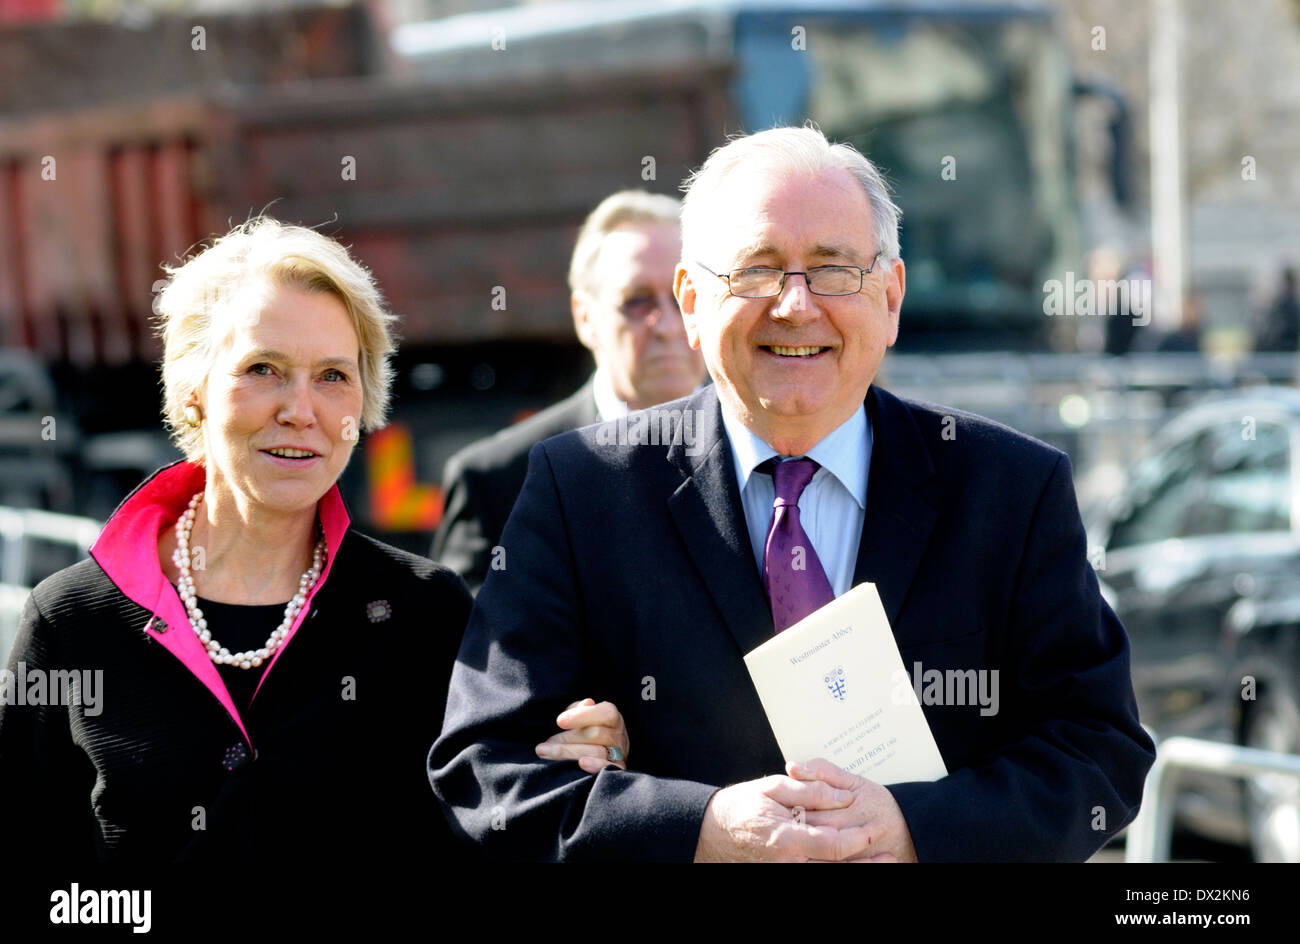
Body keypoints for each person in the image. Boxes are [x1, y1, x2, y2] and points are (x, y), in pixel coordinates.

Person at [430, 126, 1156, 862]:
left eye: (834, 269)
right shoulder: (581, 487)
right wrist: (701, 828)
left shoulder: (1009, 489)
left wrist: (912, 830)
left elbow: (1101, 750)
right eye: (758, 269)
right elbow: (484, 769)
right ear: (691, 299)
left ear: (892, 294)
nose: (796, 305)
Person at [0, 216, 624, 869]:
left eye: (332, 376)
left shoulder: (424, 613)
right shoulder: (69, 624)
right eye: (263, 368)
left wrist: (576, 749)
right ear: (194, 390)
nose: (301, 408)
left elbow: (493, 823)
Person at [432, 190, 707, 591]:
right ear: (585, 317)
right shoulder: (499, 482)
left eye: (686, 297)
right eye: (636, 301)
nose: (667, 325)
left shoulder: (774, 448)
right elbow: (468, 646)